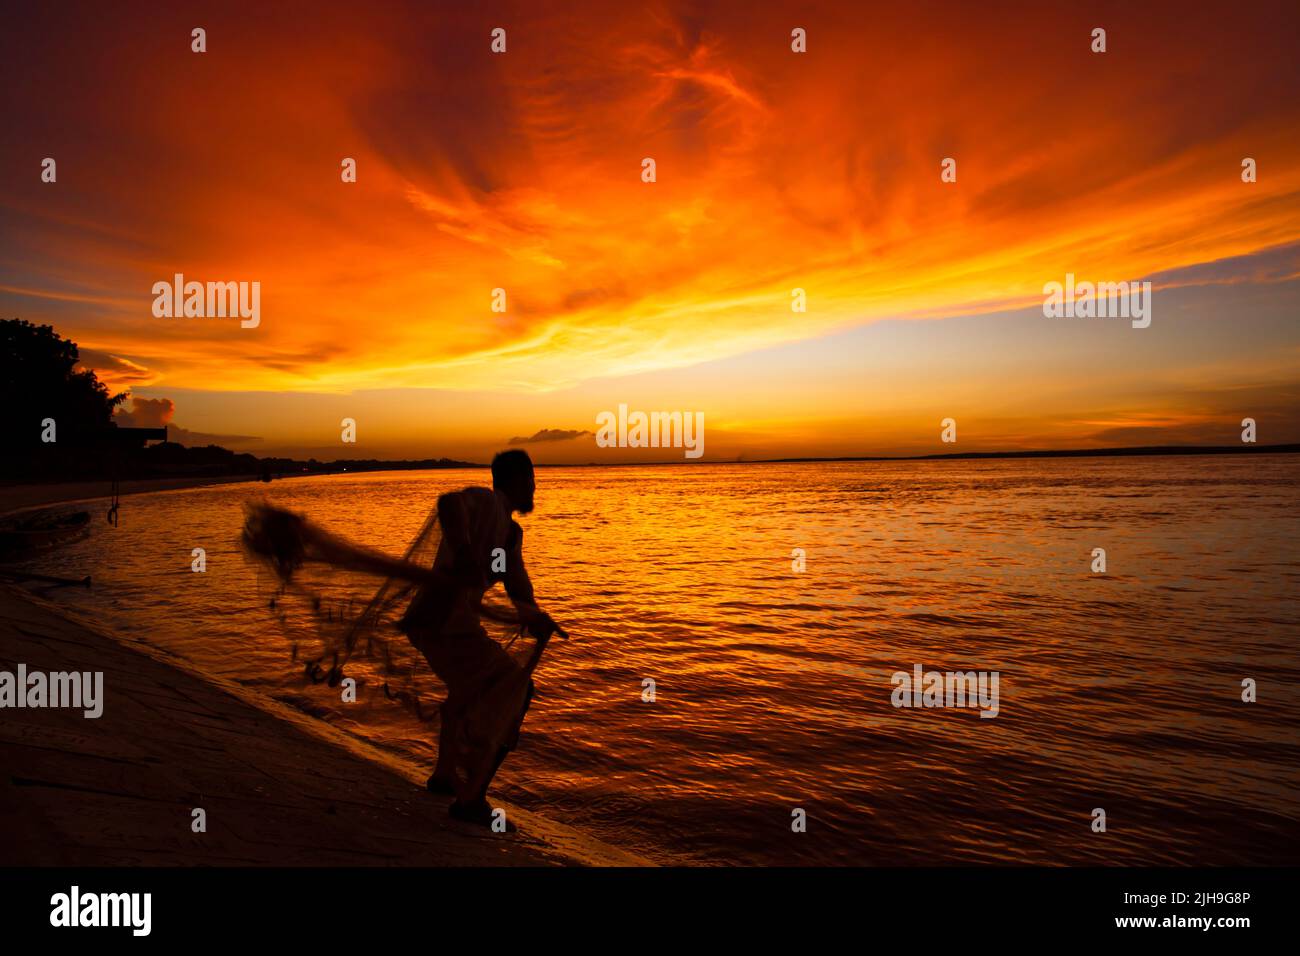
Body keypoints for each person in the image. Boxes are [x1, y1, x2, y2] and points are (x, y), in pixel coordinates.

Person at [400, 449, 561, 827]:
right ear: (517, 481)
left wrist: (537, 618)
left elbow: (518, 588)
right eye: (531, 480)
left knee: (464, 695)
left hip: (441, 624)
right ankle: (470, 798)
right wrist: (466, 551)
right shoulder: (486, 503)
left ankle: (443, 776)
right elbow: (449, 504)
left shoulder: (510, 533)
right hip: (444, 623)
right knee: (517, 690)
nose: (534, 488)